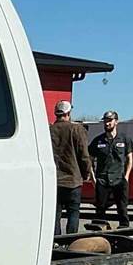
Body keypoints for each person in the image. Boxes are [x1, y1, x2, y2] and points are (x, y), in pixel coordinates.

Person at [48, 99, 91, 234]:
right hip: (73, 180)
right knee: (73, 211)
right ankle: (70, 240)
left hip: (54, 180)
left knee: (55, 213)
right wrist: (87, 173)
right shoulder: (76, 129)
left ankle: (56, 240)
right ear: (68, 113)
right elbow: (84, 155)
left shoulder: (49, 130)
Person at [89, 110, 133, 227]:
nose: (107, 123)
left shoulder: (125, 139)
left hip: (119, 179)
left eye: (110, 121)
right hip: (102, 180)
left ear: (116, 122)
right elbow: (89, 160)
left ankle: (124, 230)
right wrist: (93, 178)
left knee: (122, 209)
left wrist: (126, 177)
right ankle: (99, 233)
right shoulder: (98, 140)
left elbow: (130, 159)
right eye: (105, 121)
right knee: (100, 209)